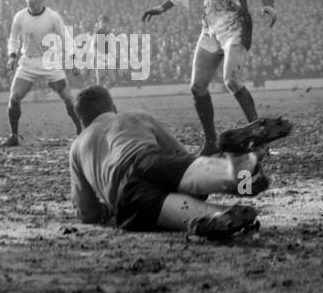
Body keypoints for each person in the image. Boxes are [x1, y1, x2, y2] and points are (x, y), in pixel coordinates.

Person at [68, 85, 291, 240]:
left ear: (82, 120)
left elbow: (87, 211)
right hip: (150, 158)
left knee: (191, 215)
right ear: (112, 107)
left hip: (125, 194)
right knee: (209, 176)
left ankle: (209, 218)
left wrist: (106, 211)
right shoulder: (135, 117)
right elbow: (179, 152)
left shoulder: (78, 146)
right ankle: (239, 164)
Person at [142, 0, 278, 155]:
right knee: (197, 87)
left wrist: (268, 3)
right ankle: (211, 142)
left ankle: (260, 139)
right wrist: (162, 7)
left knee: (232, 81)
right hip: (210, 28)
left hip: (235, 25)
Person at [0, 0, 82, 146]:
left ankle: (81, 131)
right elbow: (14, 39)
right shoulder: (20, 17)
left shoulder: (52, 17)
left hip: (50, 62)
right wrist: (12, 56)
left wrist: (72, 59)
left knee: (68, 99)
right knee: (14, 98)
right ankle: (14, 136)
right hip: (28, 62)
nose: (29, 0)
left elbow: (66, 38)